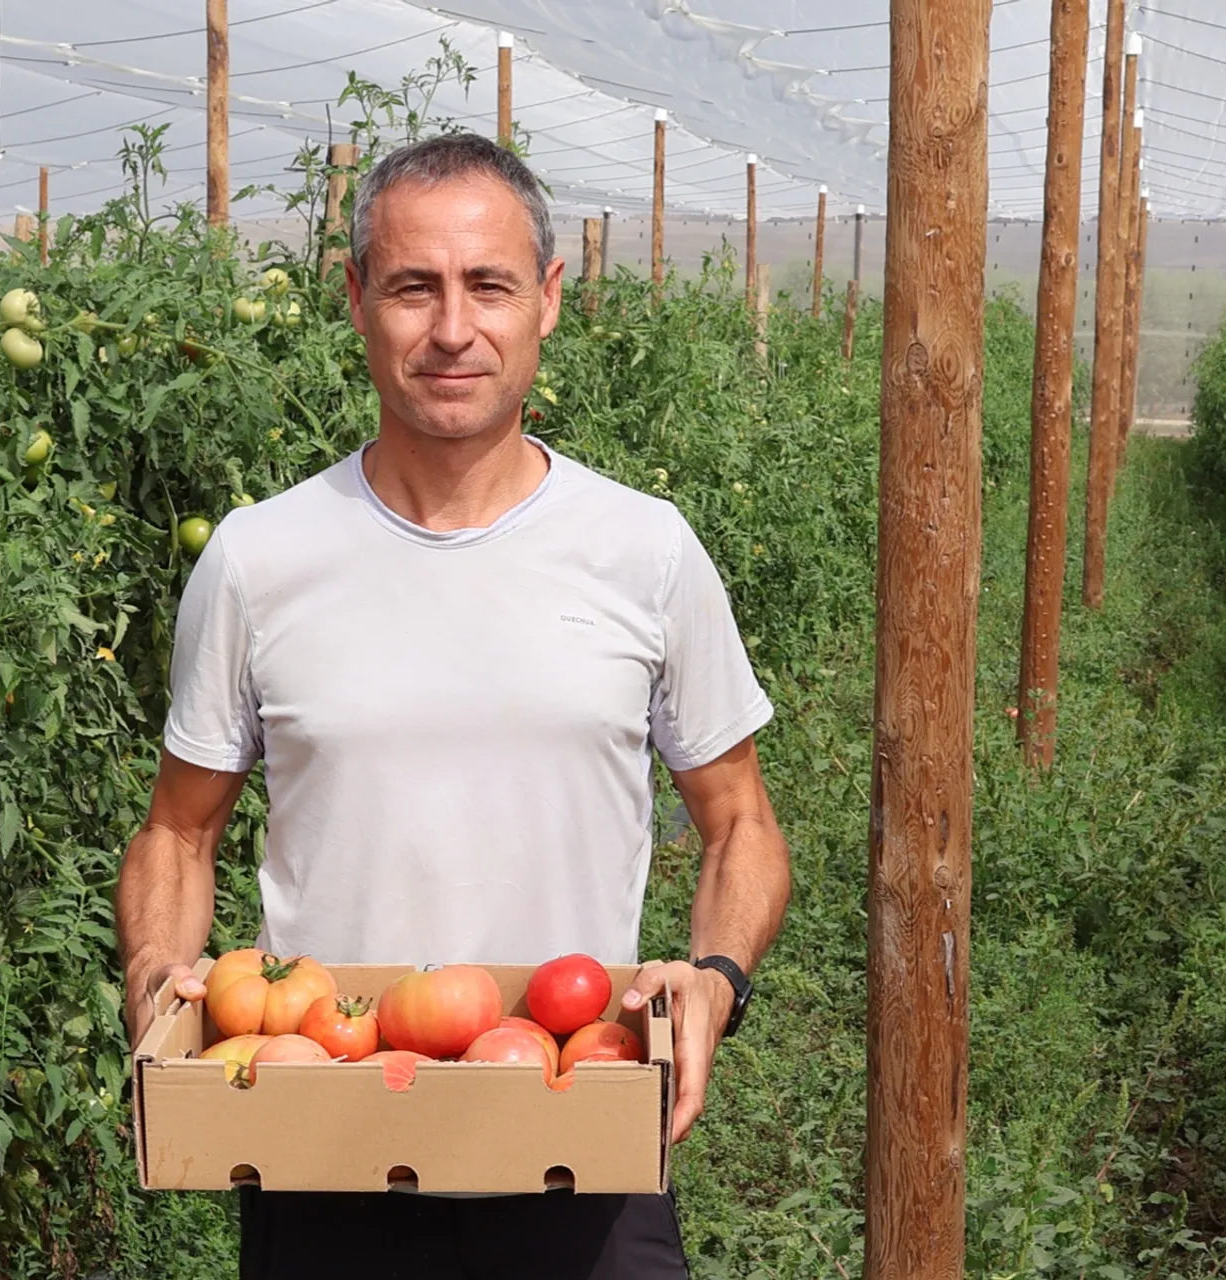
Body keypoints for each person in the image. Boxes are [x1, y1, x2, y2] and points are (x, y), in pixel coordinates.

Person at [117, 132, 792, 1280]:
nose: (451, 329)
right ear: (355, 301)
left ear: (550, 301)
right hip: (322, 1143)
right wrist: (153, 973)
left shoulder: (644, 550)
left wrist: (714, 980)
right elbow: (179, 829)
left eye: (488, 285)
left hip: (578, 1132)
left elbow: (741, 824)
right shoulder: (258, 558)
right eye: (411, 287)